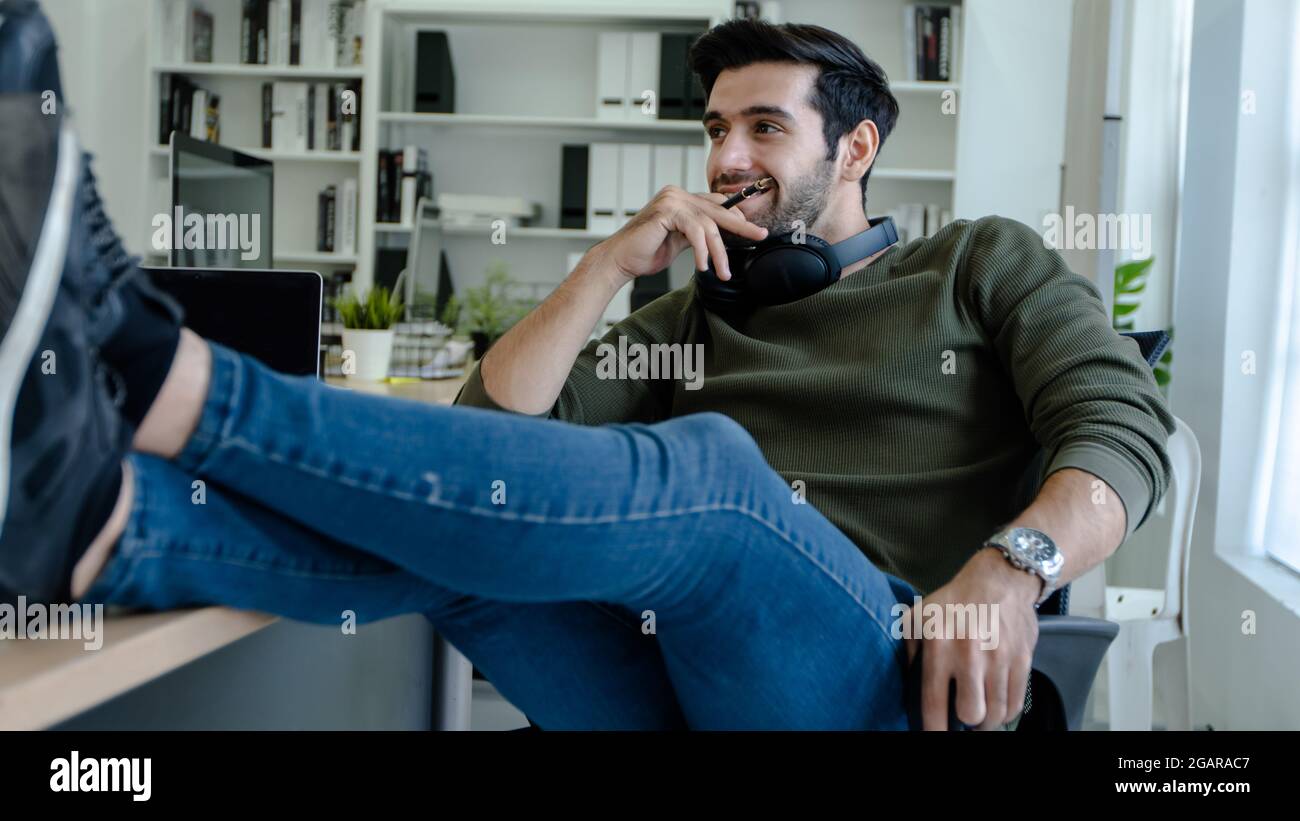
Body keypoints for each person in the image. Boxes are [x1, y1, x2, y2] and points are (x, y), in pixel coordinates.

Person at [0, 6, 1173, 731]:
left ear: (856, 146)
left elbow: (1124, 424)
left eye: (765, 126)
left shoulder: (978, 262)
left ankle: (160, 377)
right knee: (466, 552)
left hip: (883, 684)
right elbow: (489, 437)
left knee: (712, 477)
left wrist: (1013, 566)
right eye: (715, 128)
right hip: (677, 695)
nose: (727, 155)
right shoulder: (693, 310)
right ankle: (104, 523)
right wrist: (609, 265)